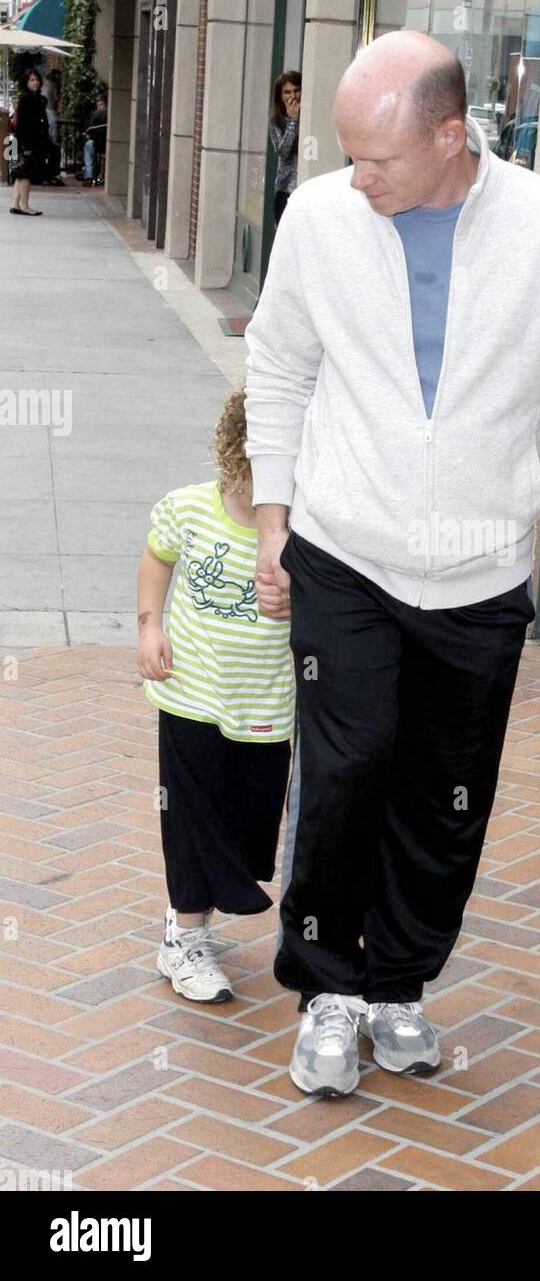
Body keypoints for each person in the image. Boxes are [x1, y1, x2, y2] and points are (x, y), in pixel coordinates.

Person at [244, 30, 540, 1098]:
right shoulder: (320, 219)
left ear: (450, 135)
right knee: (344, 772)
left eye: (376, 157)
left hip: (479, 573)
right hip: (345, 550)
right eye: (346, 153)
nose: (358, 176)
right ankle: (328, 992)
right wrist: (271, 517)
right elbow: (278, 366)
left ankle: (398, 984)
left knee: (446, 794)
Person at [136, 390, 295, 1004]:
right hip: (190, 693)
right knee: (189, 813)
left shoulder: (304, 533)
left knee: (249, 820)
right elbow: (156, 559)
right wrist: (151, 625)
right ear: (236, 452)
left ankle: (214, 902)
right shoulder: (189, 510)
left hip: (265, 705)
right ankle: (185, 935)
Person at [9, 68, 48, 216]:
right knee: (25, 174)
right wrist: (26, 144)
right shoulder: (26, 98)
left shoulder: (35, 98)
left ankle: (15, 204)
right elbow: (24, 124)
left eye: (37, 80)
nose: (35, 83)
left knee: (20, 172)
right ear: (26, 82)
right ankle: (24, 206)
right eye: (32, 80)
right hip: (27, 142)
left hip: (25, 141)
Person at [269, 71, 301, 227]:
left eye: (296, 90)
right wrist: (293, 121)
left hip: (304, 187)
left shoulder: (309, 117)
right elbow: (283, 151)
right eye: (287, 92)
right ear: (280, 96)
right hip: (285, 191)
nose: (293, 96)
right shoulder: (276, 121)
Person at [41, 67, 64, 185]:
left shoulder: (45, 83)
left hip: (45, 111)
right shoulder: (54, 84)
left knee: (48, 133)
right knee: (53, 138)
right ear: (56, 75)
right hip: (51, 110)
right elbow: (57, 98)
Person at [82, 92, 107, 186]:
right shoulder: (113, 114)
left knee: (88, 145)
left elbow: (89, 131)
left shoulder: (97, 114)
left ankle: (89, 175)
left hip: (98, 143)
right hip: (104, 144)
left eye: (100, 104)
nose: (99, 107)